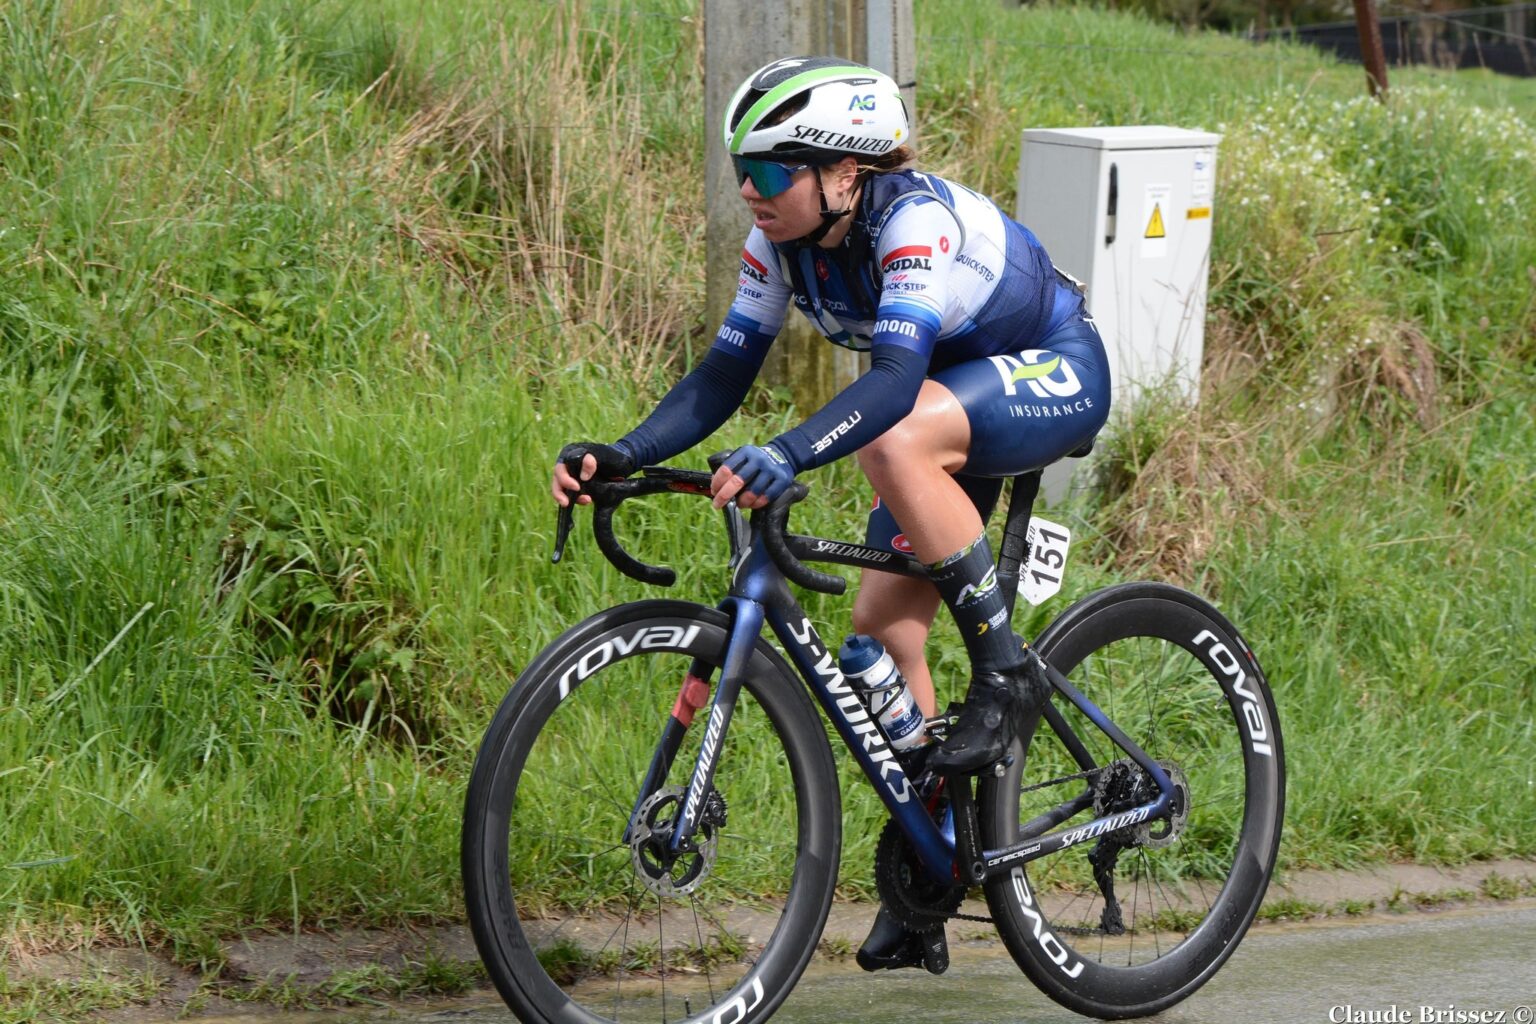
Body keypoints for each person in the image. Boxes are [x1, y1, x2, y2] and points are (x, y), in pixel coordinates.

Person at [551, 56, 1110, 973]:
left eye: (771, 171)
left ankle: (1007, 674)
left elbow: (892, 387)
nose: (749, 188)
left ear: (846, 172)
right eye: (744, 167)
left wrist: (788, 453)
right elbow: (724, 375)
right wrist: (623, 453)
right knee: (882, 640)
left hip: (1051, 369)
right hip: (944, 401)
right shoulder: (778, 244)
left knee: (891, 445)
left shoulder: (912, 222)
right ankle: (937, 870)